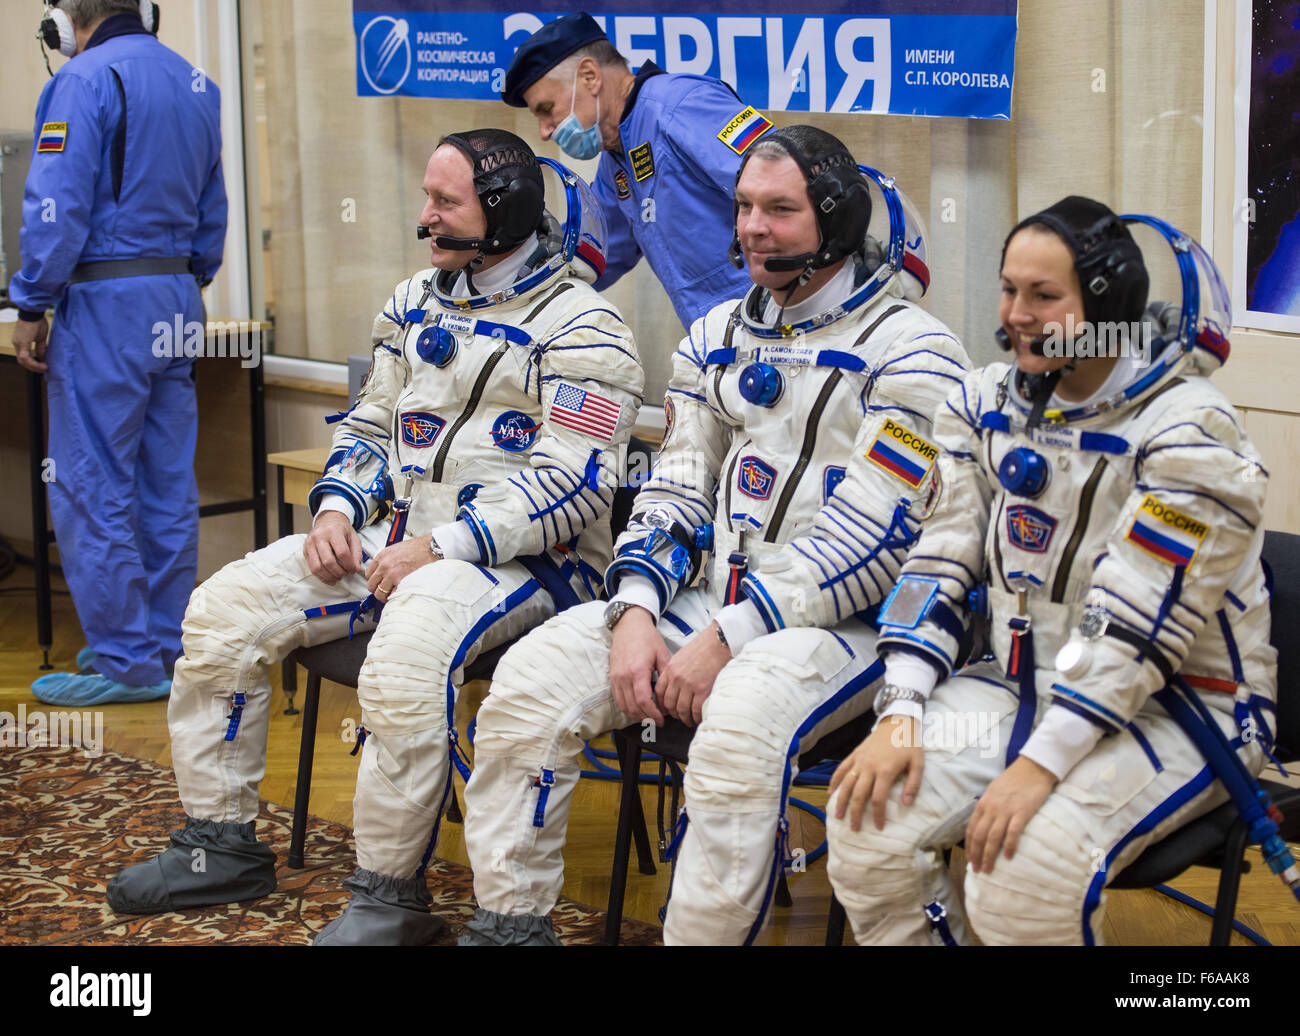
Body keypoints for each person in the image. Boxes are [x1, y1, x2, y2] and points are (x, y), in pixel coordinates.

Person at [105, 130, 646, 946]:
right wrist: (335, 511)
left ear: (501, 213)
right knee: (225, 611)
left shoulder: (585, 327)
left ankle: (388, 896)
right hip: (391, 541)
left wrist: (446, 545)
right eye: (428, 198)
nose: (425, 217)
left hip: (529, 564)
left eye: (444, 202)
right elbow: (368, 427)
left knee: (406, 650)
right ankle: (219, 845)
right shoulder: (414, 302)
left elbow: (572, 485)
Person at [460, 125, 971, 945]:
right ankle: (509, 925)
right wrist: (633, 609)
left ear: (834, 223)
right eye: (743, 207)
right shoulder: (716, 337)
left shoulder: (916, 355)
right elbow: (674, 487)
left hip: (842, 626)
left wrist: (730, 634)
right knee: (528, 687)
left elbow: (872, 538)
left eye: (780, 210)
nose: (752, 229)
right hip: (707, 600)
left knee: (734, 732)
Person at [824, 197, 1276, 945]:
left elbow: (1136, 628)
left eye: (1044, 296)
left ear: (1105, 306)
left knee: (1023, 868)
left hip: (1187, 706)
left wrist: (1039, 766)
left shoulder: (1192, 433)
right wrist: (901, 706)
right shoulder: (983, 407)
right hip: (1019, 683)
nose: (1018, 314)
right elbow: (936, 560)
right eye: (1009, 290)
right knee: (866, 820)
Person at [10, 0, 226, 706]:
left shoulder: (80, 81)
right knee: (164, 482)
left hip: (105, 304)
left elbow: (56, 207)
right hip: (175, 299)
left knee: (91, 483)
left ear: (67, 19)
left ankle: (127, 660)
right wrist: (179, 283)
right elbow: (212, 211)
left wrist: (31, 303)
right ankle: (162, 645)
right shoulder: (195, 81)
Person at [503, 11, 772, 331]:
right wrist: (514, 269)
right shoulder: (614, 163)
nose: (545, 131)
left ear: (589, 76)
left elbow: (785, 182)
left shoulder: (681, 105)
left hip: (779, 320)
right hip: (720, 339)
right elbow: (592, 255)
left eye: (546, 110)